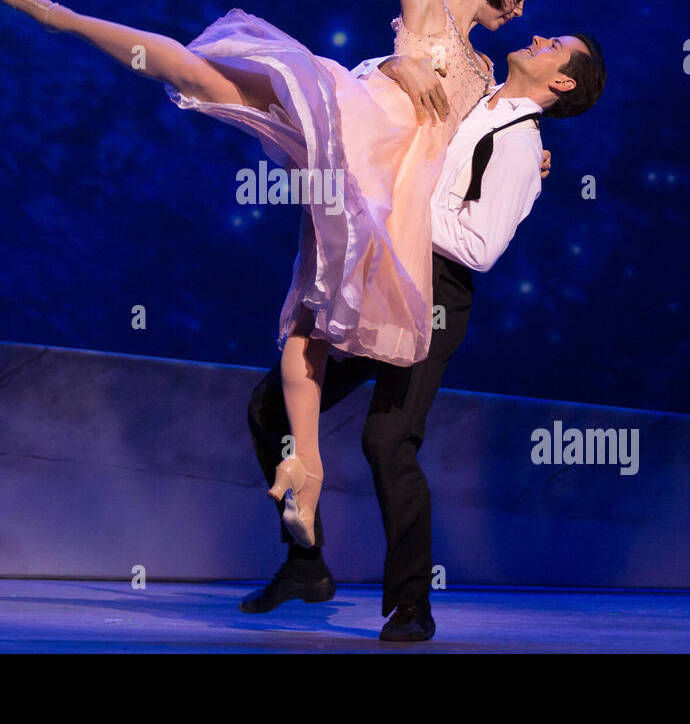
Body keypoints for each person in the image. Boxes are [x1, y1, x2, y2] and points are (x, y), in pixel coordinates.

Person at [0, 0, 597, 554]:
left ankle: (302, 473)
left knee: (310, 331)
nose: (529, 7)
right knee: (212, 77)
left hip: (381, 189)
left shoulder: (489, 75)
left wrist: (539, 152)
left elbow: (491, 131)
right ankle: (62, 15)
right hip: (351, 117)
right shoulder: (428, 10)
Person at [239, 34, 605, 642]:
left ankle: (413, 606)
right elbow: (371, 96)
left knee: (388, 440)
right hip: (388, 272)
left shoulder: (518, 143)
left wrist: (398, 200)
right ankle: (305, 565)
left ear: (562, 82)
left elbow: (481, 248)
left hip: (434, 293)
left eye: (555, 44)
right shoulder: (474, 95)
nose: (539, 37)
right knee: (271, 406)